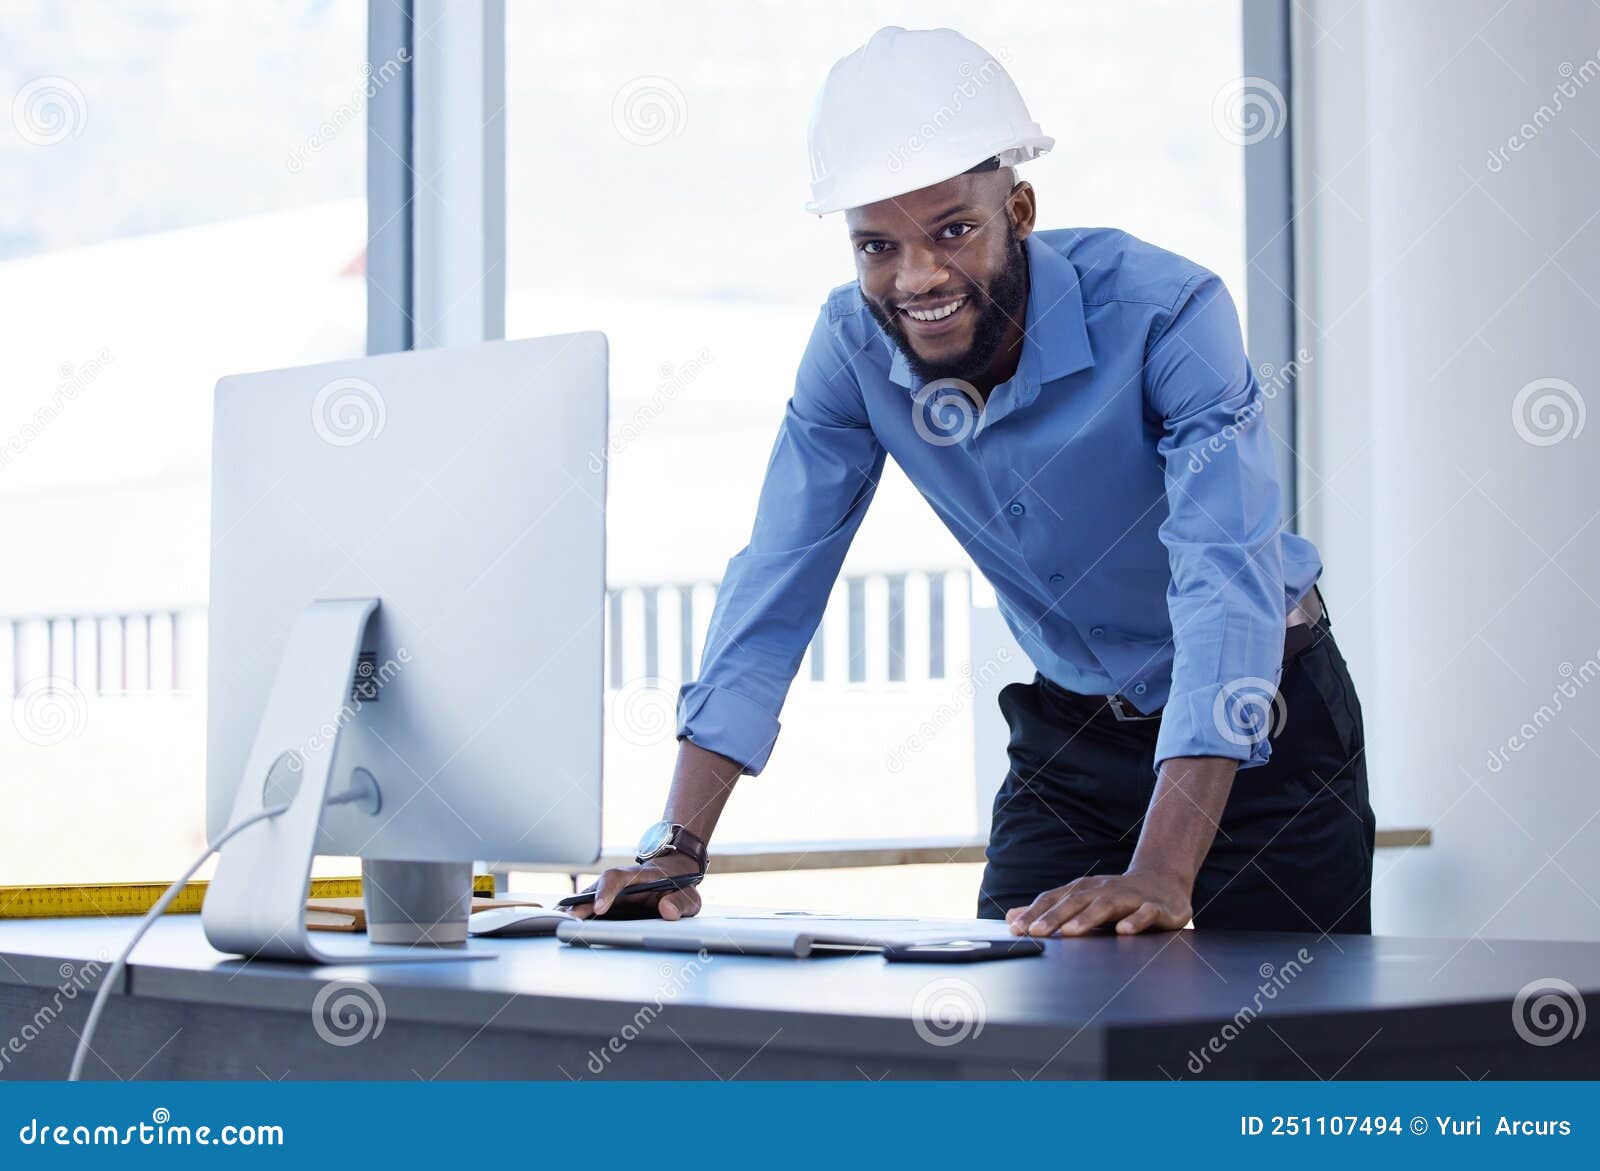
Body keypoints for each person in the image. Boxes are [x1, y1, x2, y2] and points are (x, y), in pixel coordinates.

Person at [570, 26, 1375, 937]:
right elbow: (775, 583)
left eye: (953, 230)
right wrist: (678, 843)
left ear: (1020, 211)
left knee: (1279, 1060)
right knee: (1011, 1049)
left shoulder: (1170, 314)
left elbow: (1223, 586)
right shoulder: (850, 349)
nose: (918, 277)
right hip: (1073, 741)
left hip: (1266, 736)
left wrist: (1160, 870)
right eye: (877, 245)